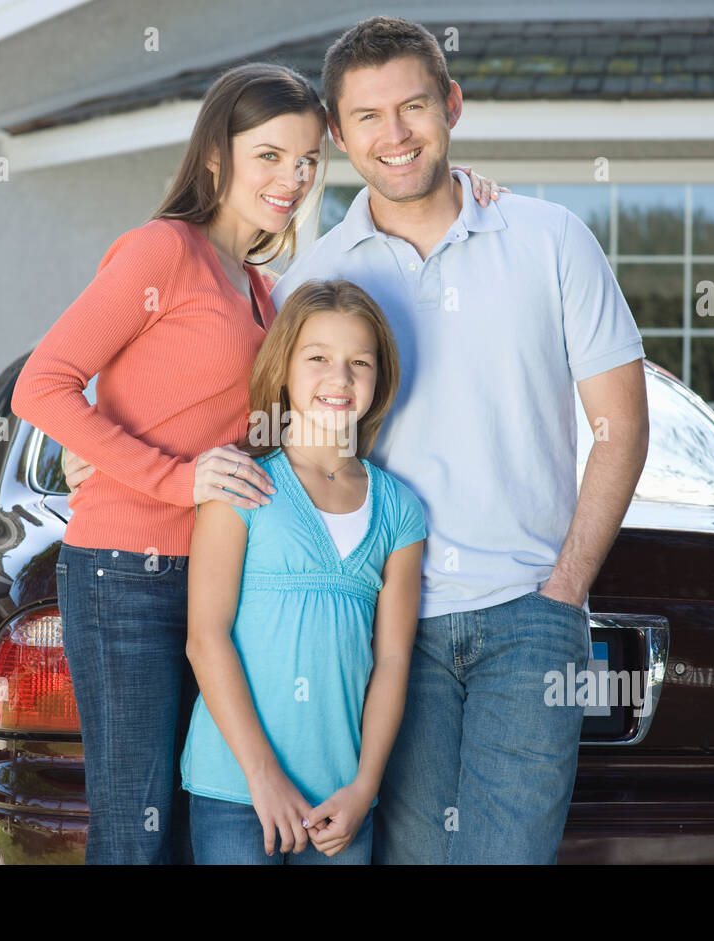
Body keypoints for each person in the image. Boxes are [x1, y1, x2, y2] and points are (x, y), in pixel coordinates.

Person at [12, 60, 503, 864]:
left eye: (309, 159)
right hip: (126, 574)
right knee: (136, 828)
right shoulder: (160, 252)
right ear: (217, 157)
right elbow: (43, 386)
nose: (293, 177)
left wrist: (456, 190)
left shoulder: (265, 292)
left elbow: (297, 408)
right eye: (269, 155)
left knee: (191, 821)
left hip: (220, 579)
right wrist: (168, 475)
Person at [266, 17, 650, 864]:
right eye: (366, 116)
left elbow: (621, 424)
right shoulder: (313, 279)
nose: (394, 134)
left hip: (529, 618)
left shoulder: (550, 240)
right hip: (382, 623)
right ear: (337, 133)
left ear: (452, 106)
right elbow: (283, 452)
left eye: (413, 107)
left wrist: (566, 589)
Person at [180, 279, 425, 864]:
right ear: (284, 369)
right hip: (237, 790)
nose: (339, 379)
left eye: (359, 362)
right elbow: (205, 639)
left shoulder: (399, 510)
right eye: (318, 358)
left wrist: (364, 788)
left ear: (379, 378)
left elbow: (392, 661)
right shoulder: (240, 487)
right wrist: (263, 777)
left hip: (339, 802)